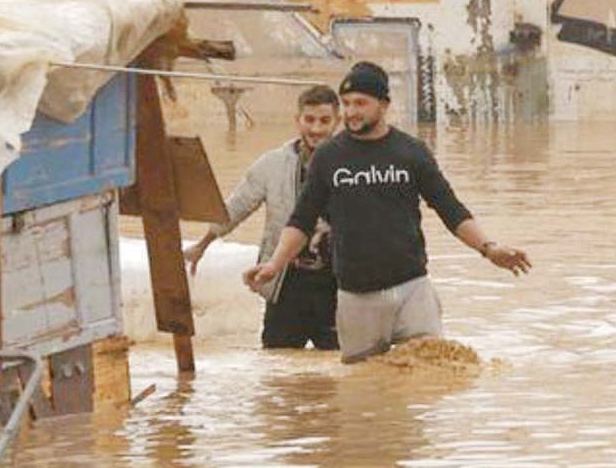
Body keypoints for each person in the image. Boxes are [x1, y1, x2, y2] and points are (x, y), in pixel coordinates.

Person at [244, 62, 531, 363]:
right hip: (356, 297)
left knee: (430, 374)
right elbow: (301, 222)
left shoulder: (411, 152)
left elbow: (451, 210)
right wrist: (274, 265)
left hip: (412, 288)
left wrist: (489, 248)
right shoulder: (329, 157)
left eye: (360, 103)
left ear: (384, 104)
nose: (351, 111)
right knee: (363, 388)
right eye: (347, 103)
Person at [184, 84, 340, 350]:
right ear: (297, 121)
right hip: (284, 281)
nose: (316, 129)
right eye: (309, 120)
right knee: (277, 368)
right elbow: (235, 208)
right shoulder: (272, 164)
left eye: (324, 121)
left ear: (337, 122)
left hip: (337, 283)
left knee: (341, 367)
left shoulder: (352, 164)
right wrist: (203, 244)